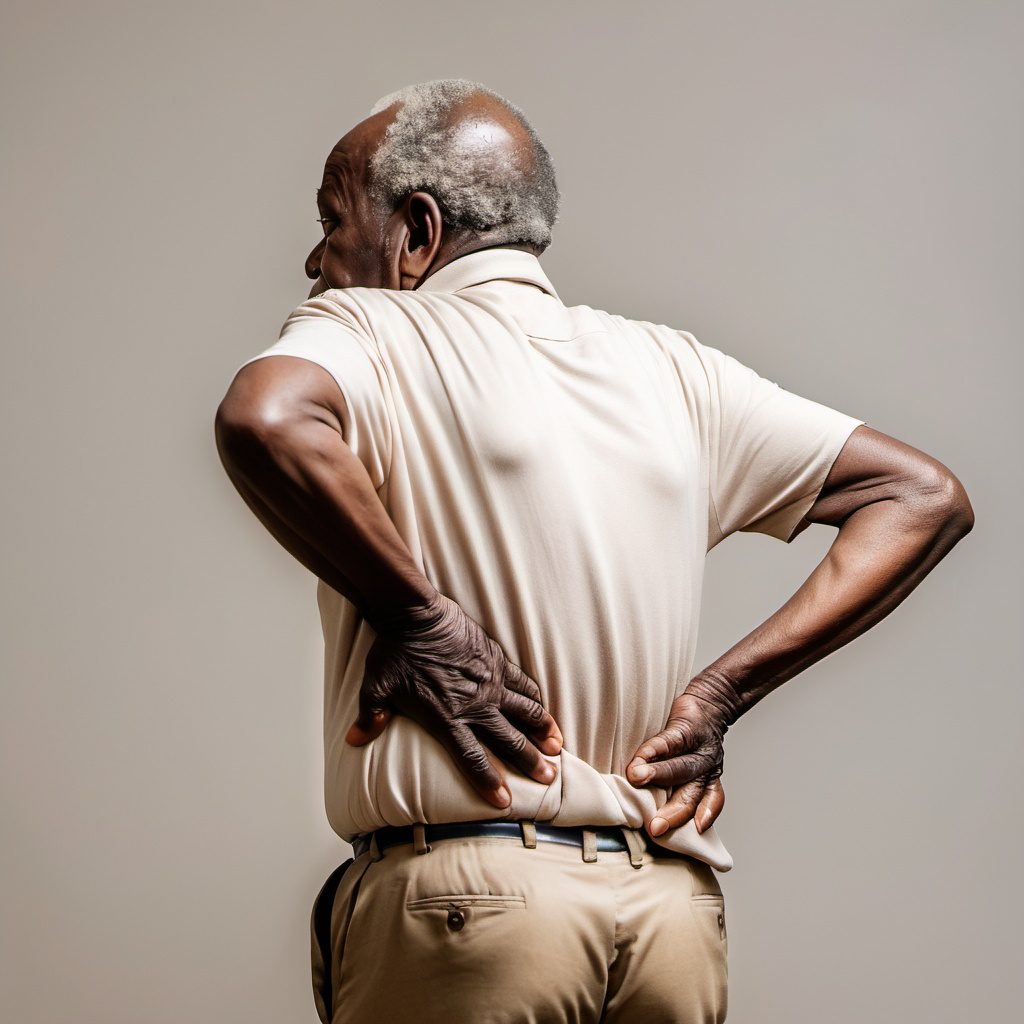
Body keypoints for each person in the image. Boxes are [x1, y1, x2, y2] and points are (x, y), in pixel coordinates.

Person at [215, 80, 973, 1024]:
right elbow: (921, 495)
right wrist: (718, 697)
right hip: (669, 920)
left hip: (474, 914)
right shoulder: (674, 370)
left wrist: (423, 621)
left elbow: (265, 416)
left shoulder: (368, 327)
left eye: (332, 222)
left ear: (415, 234)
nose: (314, 260)